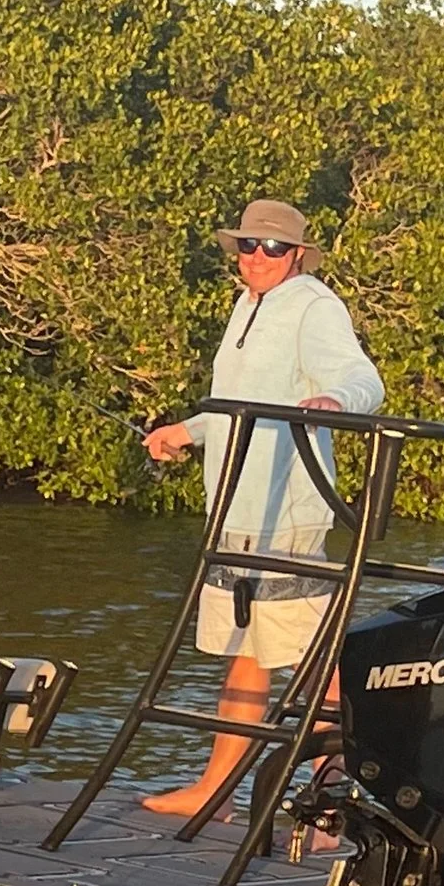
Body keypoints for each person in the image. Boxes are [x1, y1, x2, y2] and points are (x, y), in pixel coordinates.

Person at [140, 198, 384, 818]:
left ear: (297, 254)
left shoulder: (314, 305)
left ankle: (335, 799)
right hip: (236, 514)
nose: (258, 258)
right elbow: (237, 402)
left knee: (314, 662)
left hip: (288, 513)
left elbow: (364, 380)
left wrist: (334, 400)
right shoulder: (246, 304)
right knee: (246, 655)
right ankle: (217, 790)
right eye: (248, 246)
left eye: (273, 248)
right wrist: (188, 431)